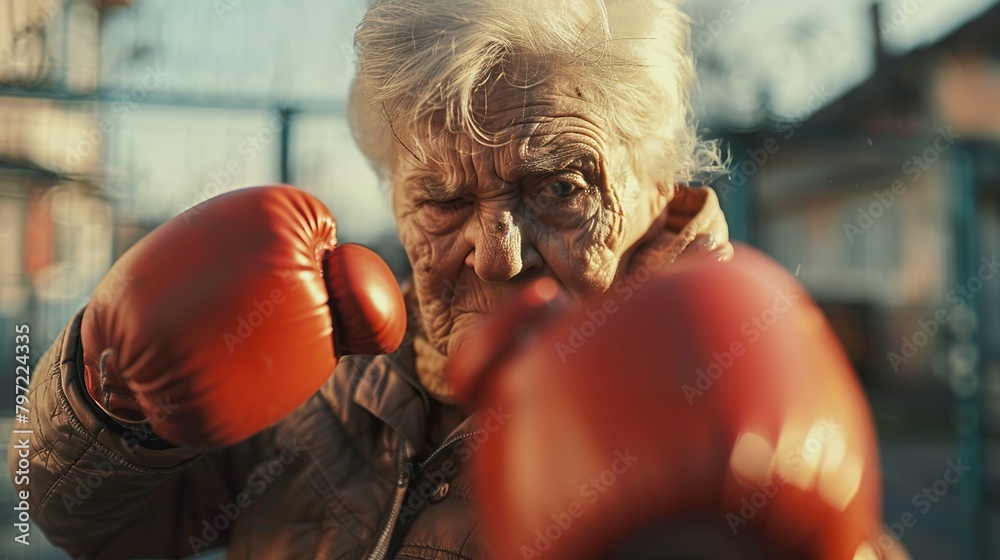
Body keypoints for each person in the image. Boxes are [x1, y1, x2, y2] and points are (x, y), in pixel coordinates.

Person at [9, 0, 901, 558]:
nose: (495, 252)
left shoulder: (724, 376)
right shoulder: (321, 373)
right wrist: (109, 397)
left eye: (558, 188)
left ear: (654, 175)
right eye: (439, 199)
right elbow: (85, 523)